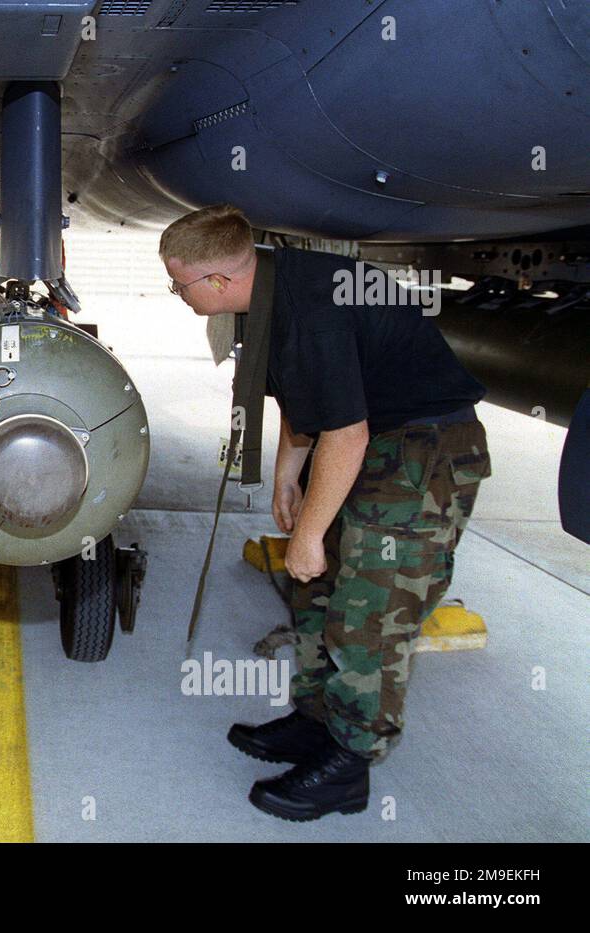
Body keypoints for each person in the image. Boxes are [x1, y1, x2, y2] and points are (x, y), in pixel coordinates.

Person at [159, 204, 490, 821]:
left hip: (421, 449)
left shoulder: (311, 310)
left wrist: (310, 532)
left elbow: (346, 431)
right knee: (316, 590)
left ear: (221, 282)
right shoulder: (272, 293)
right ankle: (318, 721)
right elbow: (303, 399)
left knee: (371, 606)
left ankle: (350, 763)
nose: (177, 294)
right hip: (369, 440)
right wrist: (288, 481)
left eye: (180, 283)